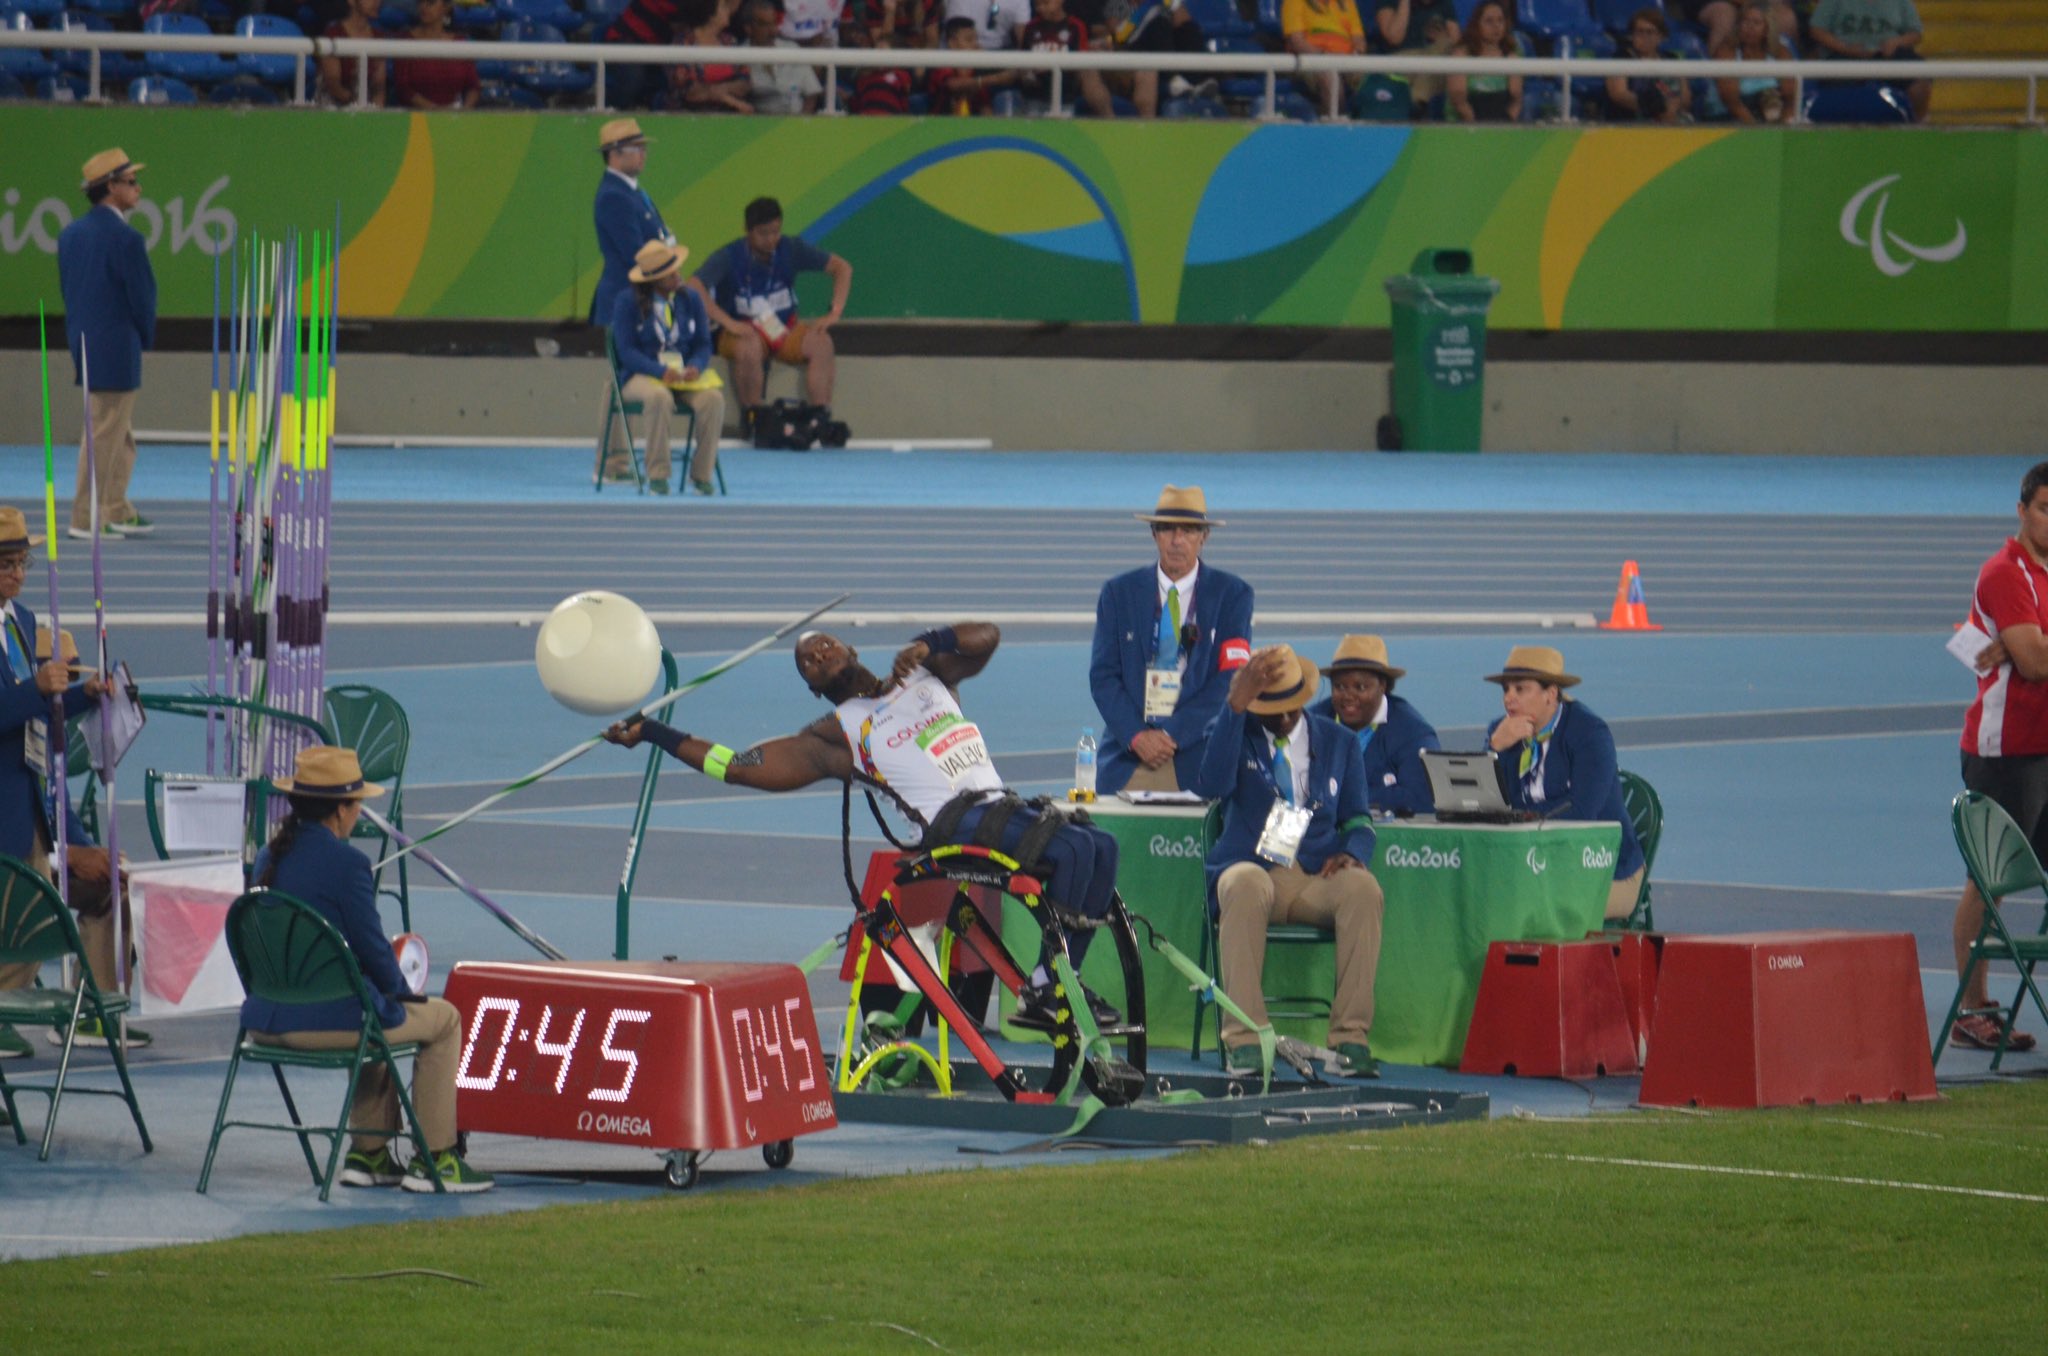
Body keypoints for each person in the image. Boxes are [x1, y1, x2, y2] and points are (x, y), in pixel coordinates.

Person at [601, 622, 1124, 1026]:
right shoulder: (837, 735)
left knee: (1101, 848)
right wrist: (655, 733)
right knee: (1074, 853)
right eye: (807, 660)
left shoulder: (927, 674)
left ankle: (1052, 983)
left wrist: (927, 641)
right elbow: (736, 766)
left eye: (825, 645)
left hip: (999, 804)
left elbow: (986, 639)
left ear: (851, 649)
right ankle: (1049, 987)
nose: (818, 654)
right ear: (811, 686)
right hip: (952, 826)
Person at [244, 745, 494, 1193]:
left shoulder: (267, 858)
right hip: (327, 1023)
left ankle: (370, 1154)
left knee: (371, 1003)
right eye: (357, 802)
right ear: (342, 809)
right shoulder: (347, 864)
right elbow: (374, 950)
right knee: (441, 1020)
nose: (360, 811)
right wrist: (403, 992)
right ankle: (436, 1160)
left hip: (265, 1020)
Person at [1190, 645, 1384, 1078]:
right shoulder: (1235, 730)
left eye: (1289, 710)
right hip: (1253, 869)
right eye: (1268, 710)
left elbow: (1358, 817)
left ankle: (1350, 1038)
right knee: (1241, 884)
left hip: (1316, 875)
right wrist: (1234, 708)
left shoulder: (1340, 742)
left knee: (1363, 889)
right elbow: (1211, 784)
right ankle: (1244, 1039)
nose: (1279, 719)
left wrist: (1354, 853)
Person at [0, 508, 118, 1059]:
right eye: (6, 565)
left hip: (28, 807)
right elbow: (21, 700)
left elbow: (40, 708)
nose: (16, 575)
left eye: (22, 564)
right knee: (13, 932)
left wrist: (80, 696)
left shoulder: (22, 622)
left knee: (27, 930)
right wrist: (34, 691)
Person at [1948, 461, 2048, 1052]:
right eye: (2044, 510)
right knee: (1987, 884)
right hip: (2005, 751)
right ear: (2021, 510)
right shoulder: (2004, 574)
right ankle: (1972, 1008)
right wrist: (2022, 647)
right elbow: (2033, 661)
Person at [1089, 485, 1253, 795]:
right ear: (1154, 534)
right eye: (1167, 530)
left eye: (1189, 530)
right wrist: (1137, 736)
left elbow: (1232, 677)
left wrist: (1172, 735)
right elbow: (1103, 676)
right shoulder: (1118, 592)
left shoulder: (1232, 595)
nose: (1177, 540)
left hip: (1198, 754)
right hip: (1128, 755)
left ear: (1204, 537)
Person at [1482, 645, 1645, 921]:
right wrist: (1495, 748)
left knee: (1526, 907)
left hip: (1602, 869)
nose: (1509, 698)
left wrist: (1522, 819)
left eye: (1520, 689)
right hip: (1532, 864)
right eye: (1506, 690)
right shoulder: (1503, 731)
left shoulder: (1589, 733)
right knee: (1482, 896)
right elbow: (1487, 802)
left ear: (1551, 694)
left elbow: (1581, 811)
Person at [57, 148, 157, 543]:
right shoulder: (127, 238)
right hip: (116, 345)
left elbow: (71, 291)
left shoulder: (70, 235)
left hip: (83, 341)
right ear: (110, 187)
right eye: (131, 182)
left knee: (118, 432)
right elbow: (143, 297)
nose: (138, 189)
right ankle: (84, 517)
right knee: (103, 434)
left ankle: (115, 508)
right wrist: (143, 337)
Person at [688, 196, 853, 420]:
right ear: (747, 230)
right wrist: (729, 323)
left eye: (776, 231)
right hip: (742, 331)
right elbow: (693, 286)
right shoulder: (729, 256)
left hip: (783, 329)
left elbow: (842, 268)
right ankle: (755, 416)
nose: (771, 239)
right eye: (763, 233)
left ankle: (820, 416)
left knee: (822, 342)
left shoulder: (791, 248)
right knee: (749, 346)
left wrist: (834, 312)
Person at [609, 240, 726, 496]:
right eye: (671, 273)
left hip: (684, 377)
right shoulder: (626, 302)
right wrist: (659, 372)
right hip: (642, 377)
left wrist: (696, 366)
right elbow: (626, 352)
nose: (678, 275)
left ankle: (701, 475)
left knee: (713, 400)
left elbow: (704, 344)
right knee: (659, 397)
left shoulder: (691, 299)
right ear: (655, 279)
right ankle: (658, 475)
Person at [1306, 635, 1439, 816]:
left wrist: (1345, 797)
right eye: (1340, 687)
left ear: (1382, 686)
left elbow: (1422, 798)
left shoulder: (1413, 733)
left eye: (1360, 687)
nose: (1348, 696)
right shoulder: (1313, 722)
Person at [590, 119, 675, 329]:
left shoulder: (630, 191)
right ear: (614, 153)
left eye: (644, 148)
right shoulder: (614, 196)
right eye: (637, 148)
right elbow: (635, 255)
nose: (643, 154)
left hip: (642, 297)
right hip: (626, 300)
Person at [1809, 0, 1928, 120]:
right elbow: (1817, 29)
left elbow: (1915, 32)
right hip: (1844, 55)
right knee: (1834, 87)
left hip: (1889, 56)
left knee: (1918, 80)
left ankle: (1917, 125)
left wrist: (1897, 42)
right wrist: (1845, 48)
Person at [605, 0, 720, 108]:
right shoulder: (681, 7)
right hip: (624, 40)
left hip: (655, 48)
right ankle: (610, 113)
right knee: (633, 78)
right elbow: (682, 27)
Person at [1711, 1, 1795, 122]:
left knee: (1772, 99)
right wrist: (1759, 133)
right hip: (1734, 116)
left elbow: (1790, 100)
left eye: (1756, 23)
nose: (1749, 27)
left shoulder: (1780, 52)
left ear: (1768, 27)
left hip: (1774, 117)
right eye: (1745, 21)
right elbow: (1732, 102)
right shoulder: (1726, 51)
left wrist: (1782, 129)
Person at [1607, 7, 1691, 123]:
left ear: (1661, 36)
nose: (1644, 37)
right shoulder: (1621, 57)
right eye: (1639, 31)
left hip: (1671, 119)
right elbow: (1618, 94)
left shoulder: (1672, 59)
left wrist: (1672, 108)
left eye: (1650, 32)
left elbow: (1685, 96)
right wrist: (1655, 108)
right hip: (1632, 123)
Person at [391, 0, 479, 110]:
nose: (424, 7)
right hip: (415, 119)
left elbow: (473, 86)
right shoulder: (405, 41)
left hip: (455, 118)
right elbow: (403, 88)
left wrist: (464, 111)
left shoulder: (459, 43)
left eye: (431, 2)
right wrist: (435, 110)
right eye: (421, 2)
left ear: (446, 8)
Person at [1283, 0, 1367, 115]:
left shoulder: (1347, 3)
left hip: (1346, 58)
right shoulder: (1294, 2)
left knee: (1371, 79)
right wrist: (1325, 56)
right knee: (1331, 79)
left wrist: (1357, 53)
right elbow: (1297, 42)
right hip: (1312, 59)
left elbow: (1358, 39)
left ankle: (1368, 124)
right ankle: (1334, 127)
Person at [1372, 0, 1459, 111]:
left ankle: (1416, 103)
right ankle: (1417, 102)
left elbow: (1457, 45)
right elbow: (1394, 38)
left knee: (1444, 46)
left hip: (1435, 68)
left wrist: (1441, 37)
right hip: (1399, 64)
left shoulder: (1444, 4)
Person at [743, 0, 825, 113]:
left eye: (774, 23)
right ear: (749, 28)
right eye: (765, 25)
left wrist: (800, 123)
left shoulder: (792, 49)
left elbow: (812, 94)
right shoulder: (738, 57)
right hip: (760, 125)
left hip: (797, 122)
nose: (773, 31)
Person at [1446, 0, 1521, 122]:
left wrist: (1508, 123)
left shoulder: (1511, 56)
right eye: (1489, 21)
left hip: (1501, 121)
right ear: (1477, 25)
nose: (1496, 26)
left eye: (1500, 20)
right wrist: (1476, 126)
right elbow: (1458, 100)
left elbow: (1516, 101)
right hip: (1466, 123)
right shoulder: (1461, 55)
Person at [929, 15, 1015, 113]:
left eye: (976, 39)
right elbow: (953, 85)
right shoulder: (942, 65)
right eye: (969, 40)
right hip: (940, 124)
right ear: (952, 43)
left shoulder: (978, 70)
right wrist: (995, 79)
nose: (976, 44)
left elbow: (985, 107)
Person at [1017, 0, 1088, 112]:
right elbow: (1023, 60)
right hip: (1033, 96)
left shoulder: (1075, 26)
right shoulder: (1031, 27)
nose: (1041, 8)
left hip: (1064, 97)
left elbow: (1081, 62)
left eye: (1046, 3)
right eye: (1037, 5)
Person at [319, 0, 386, 106]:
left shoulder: (378, 37)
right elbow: (333, 84)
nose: (376, 2)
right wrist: (356, 104)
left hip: (366, 108)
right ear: (351, 1)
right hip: (333, 107)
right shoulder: (334, 33)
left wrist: (375, 113)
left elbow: (378, 87)